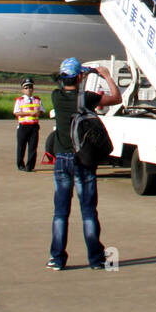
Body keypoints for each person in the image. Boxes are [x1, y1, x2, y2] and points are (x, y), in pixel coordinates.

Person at [47, 58, 121, 270]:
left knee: (60, 213)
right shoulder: (86, 98)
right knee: (88, 211)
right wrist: (103, 74)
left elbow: (56, 77)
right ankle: (96, 259)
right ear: (79, 77)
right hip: (83, 160)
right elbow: (116, 98)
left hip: (62, 159)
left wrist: (81, 72)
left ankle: (57, 259)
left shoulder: (56, 96)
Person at [13, 77, 43, 172]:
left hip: (34, 126)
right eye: (26, 88)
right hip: (23, 126)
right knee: (21, 146)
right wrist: (29, 113)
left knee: (33, 147)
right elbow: (16, 112)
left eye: (30, 87)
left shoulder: (37, 100)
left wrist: (38, 113)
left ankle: (30, 166)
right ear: (22, 89)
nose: (29, 90)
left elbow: (42, 111)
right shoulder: (20, 100)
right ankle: (20, 164)